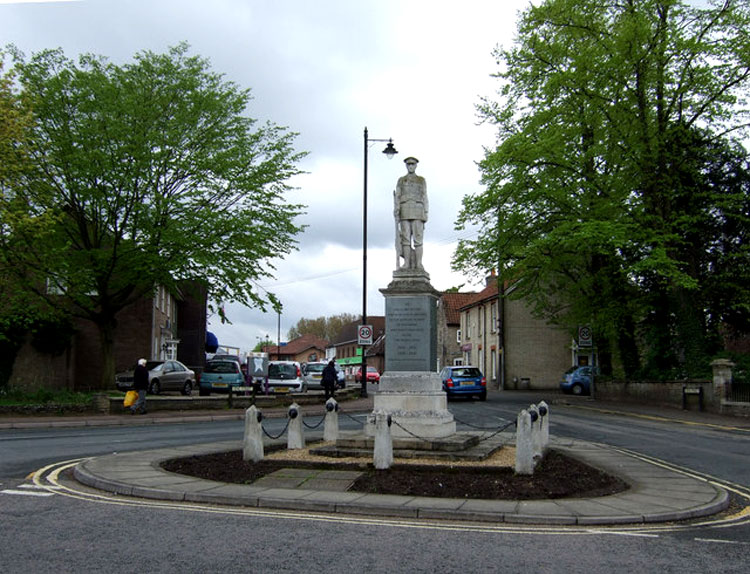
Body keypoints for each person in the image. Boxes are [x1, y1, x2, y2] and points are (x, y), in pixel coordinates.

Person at [394, 156, 428, 270]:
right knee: (406, 239)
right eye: (409, 164)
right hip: (404, 211)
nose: (411, 166)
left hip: (418, 211)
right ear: (406, 166)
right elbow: (398, 196)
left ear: (416, 165)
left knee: (418, 240)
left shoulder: (421, 180)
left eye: (413, 164)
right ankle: (407, 263)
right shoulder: (401, 180)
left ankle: (418, 264)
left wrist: (426, 212)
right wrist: (396, 209)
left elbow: (425, 196)